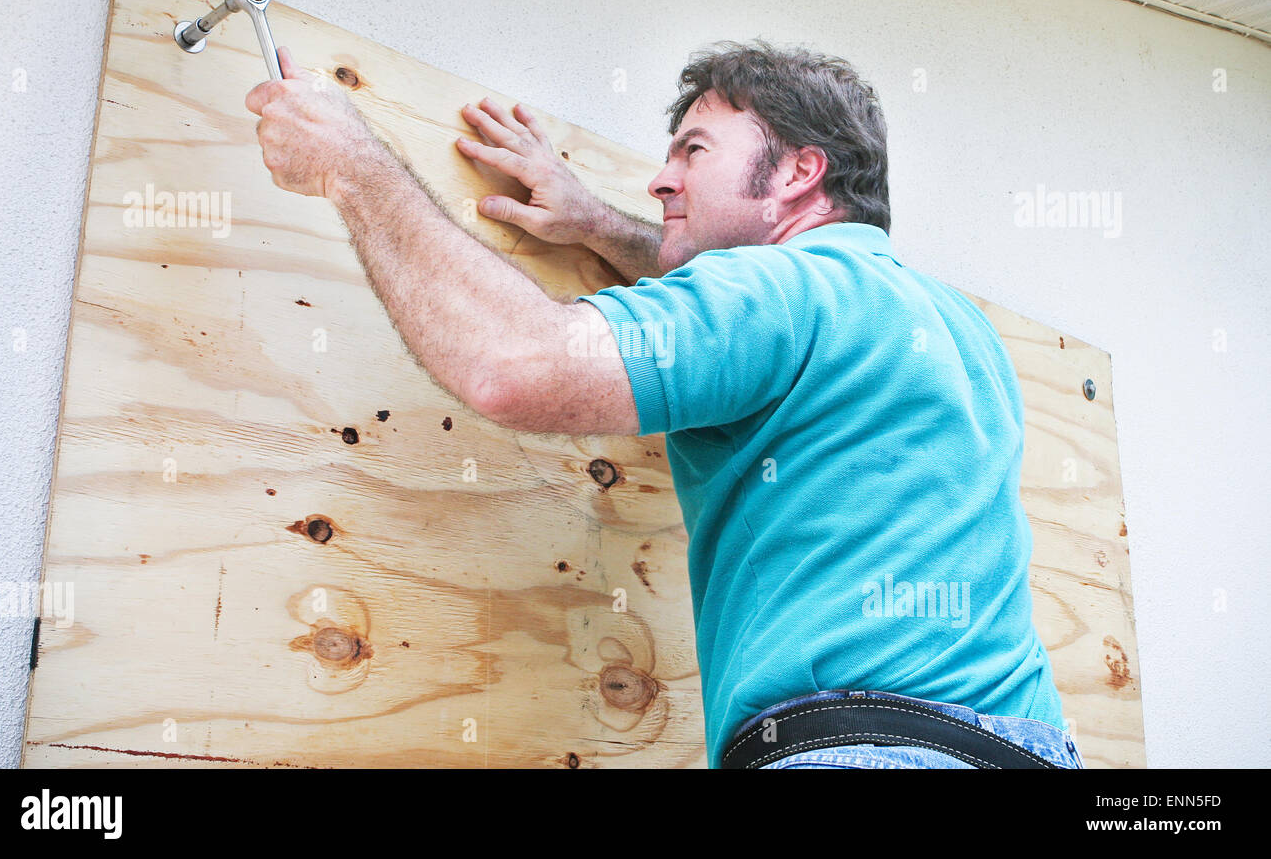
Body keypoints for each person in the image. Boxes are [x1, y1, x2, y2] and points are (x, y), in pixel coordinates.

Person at [246, 38, 1084, 770]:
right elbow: (764, 332)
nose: (661, 178)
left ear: (798, 170)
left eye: (694, 151)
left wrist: (349, 165)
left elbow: (513, 363)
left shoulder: (777, 291)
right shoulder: (951, 327)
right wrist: (599, 228)